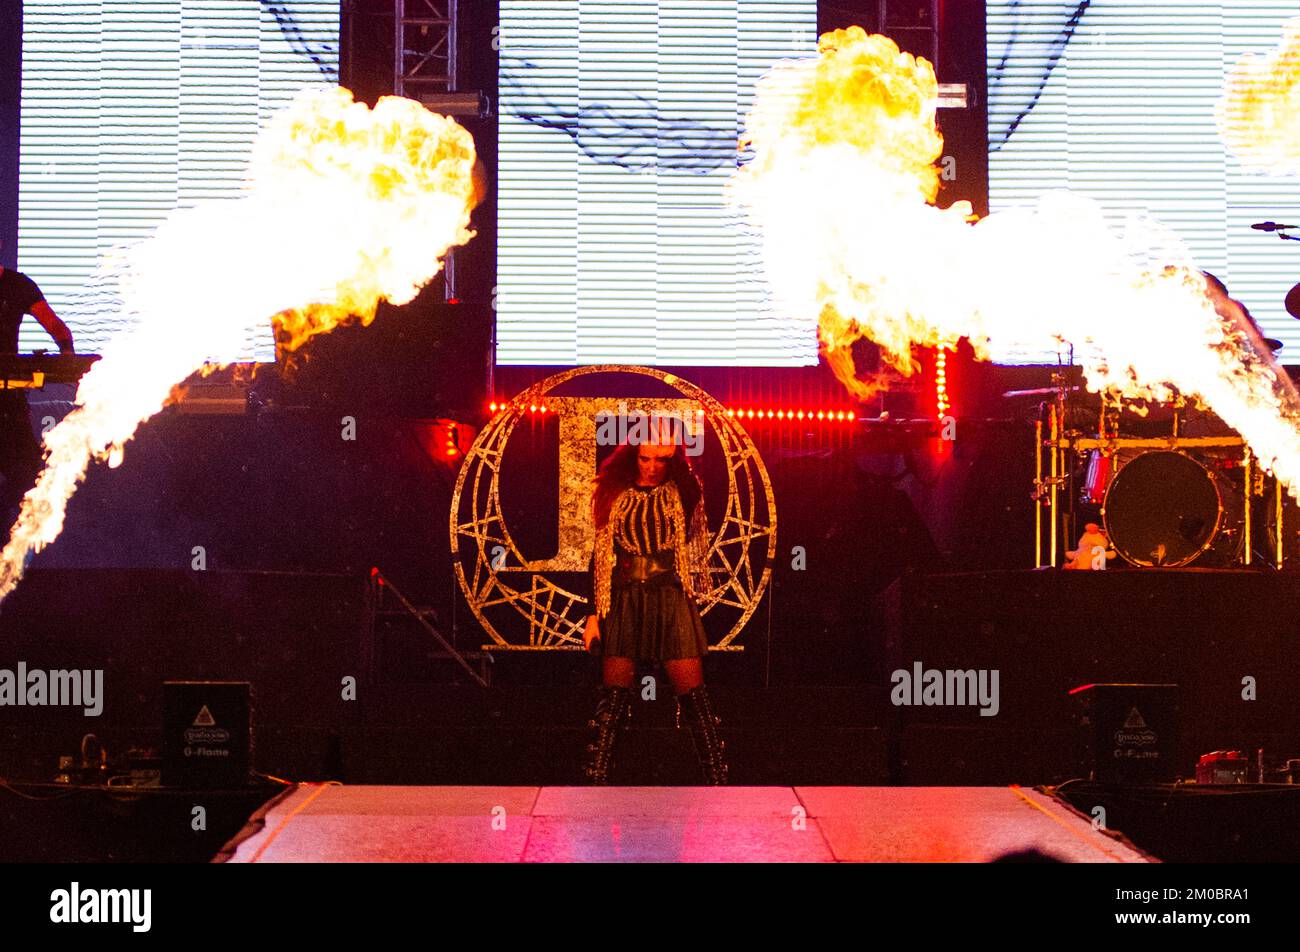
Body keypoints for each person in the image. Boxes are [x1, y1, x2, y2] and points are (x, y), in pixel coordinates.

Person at [579, 425, 727, 785]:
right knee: (613, 697)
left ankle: (717, 778)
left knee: (693, 694)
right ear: (633, 456)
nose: (652, 466)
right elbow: (598, 555)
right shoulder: (613, 492)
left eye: (662, 459)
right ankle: (597, 779)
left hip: (668, 595)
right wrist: (592, 614)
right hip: (625, 595)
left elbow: (698, 492)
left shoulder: (683, 491)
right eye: (646, 458)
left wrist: (679, 460)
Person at [0, 258, 75, 516]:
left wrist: (66, 353)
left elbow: (54, 325)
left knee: (27, 476)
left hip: (8, 400)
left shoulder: (18, 285)